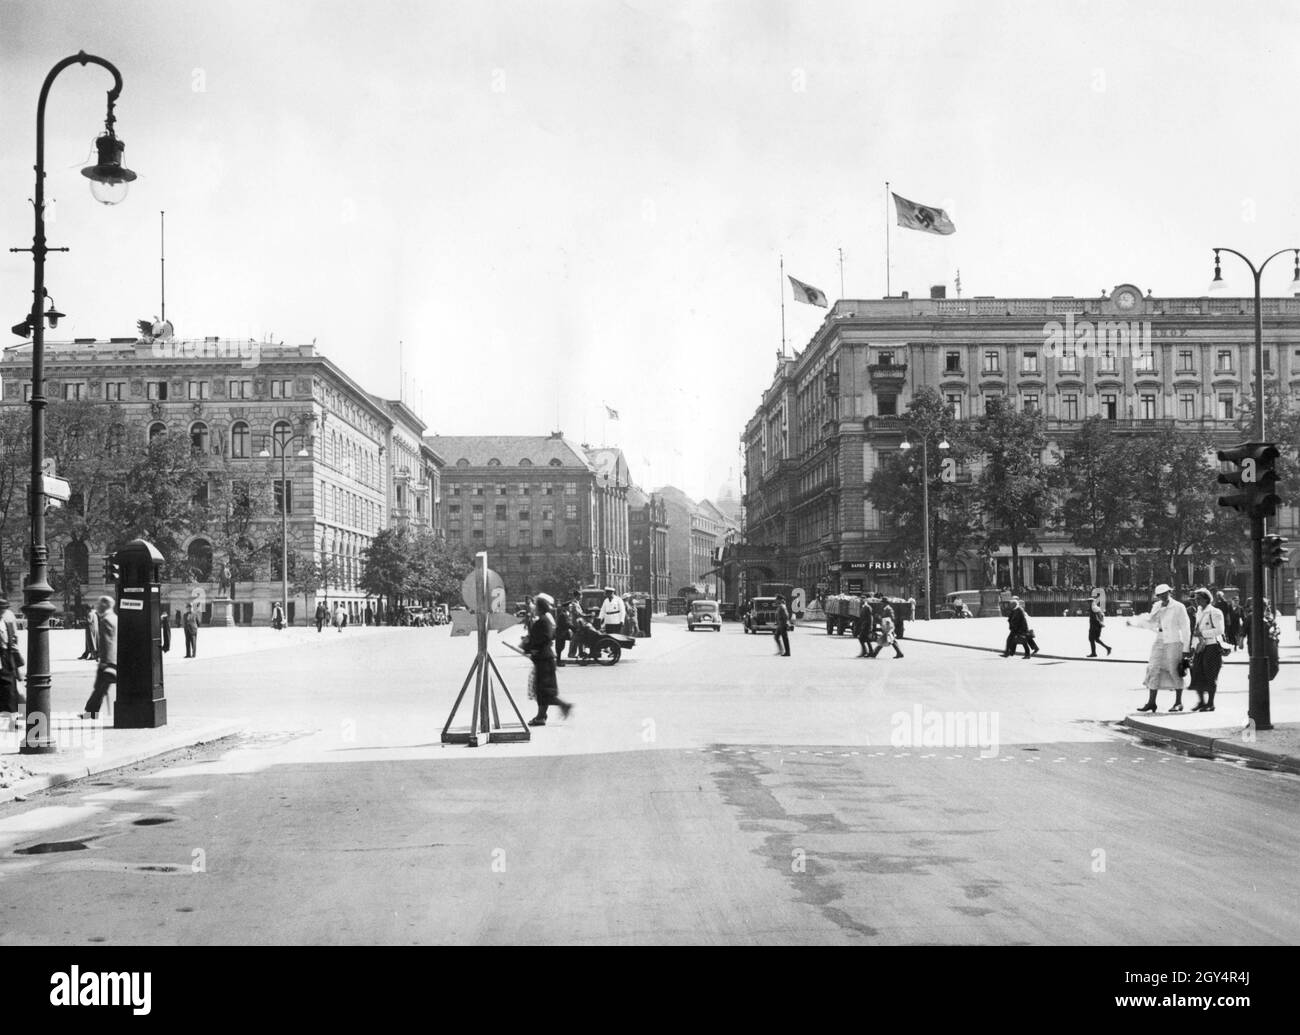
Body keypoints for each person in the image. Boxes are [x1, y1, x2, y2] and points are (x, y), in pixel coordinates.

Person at [1126, 583, 1191, 712]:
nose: (1163, 597)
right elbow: (1150, 622)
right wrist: (1134, 623)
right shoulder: (1157, 606)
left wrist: (1186, 649)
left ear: (1169, 593)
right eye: (1160, 595)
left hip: (1174, 640)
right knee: (1153, 667)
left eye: (1165, 594)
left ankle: (1178, 702)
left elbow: (1185, 628)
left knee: (1174, 670)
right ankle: (1151, 702)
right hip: (1160, 638)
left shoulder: (1178, 607)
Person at [524, 593, 572, 726]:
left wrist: (530, 646)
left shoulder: (543, 621)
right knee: (542, 690)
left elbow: (543, 638)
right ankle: (541, 716)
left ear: (540, 607)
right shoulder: (543, 619)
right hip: (543, 659)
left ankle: (563, 706)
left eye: (536, 606)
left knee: (545, 691)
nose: (533, 608)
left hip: (544, 659)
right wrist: (528, 645)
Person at [80, 595, 118, 720]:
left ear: (104, 605)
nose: (97, 606)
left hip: (108, 661)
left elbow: (107, 642)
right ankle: (91, 712)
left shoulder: (106, 620)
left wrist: (104, 661)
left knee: (100, 687)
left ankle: (91, 712)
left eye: (99, 604)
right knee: (101, 687)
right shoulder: (114, 618)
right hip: (113, 659)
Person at [1188, 587, 1226, 712]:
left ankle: (1210, 703)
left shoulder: (1215, 612)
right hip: (1200, 647)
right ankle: (1201, 702)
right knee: (1197, 674)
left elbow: (1220, 630)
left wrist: (1203, 633)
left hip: (1212, 647)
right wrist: (1193, 646)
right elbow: (1196, 630)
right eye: (1195, 599)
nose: (1196, 601)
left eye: (1199, 599)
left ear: (1206, 599)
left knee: (1210, 675)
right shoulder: (1199, 611)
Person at [1, 596, 25, 715]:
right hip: (6, 658)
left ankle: (16, 718)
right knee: (11, 690)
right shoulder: (9, 616)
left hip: (7, 657)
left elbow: (13, 640)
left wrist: (16, 661)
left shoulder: (7, 619)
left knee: (12, 689)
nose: (2, 612)